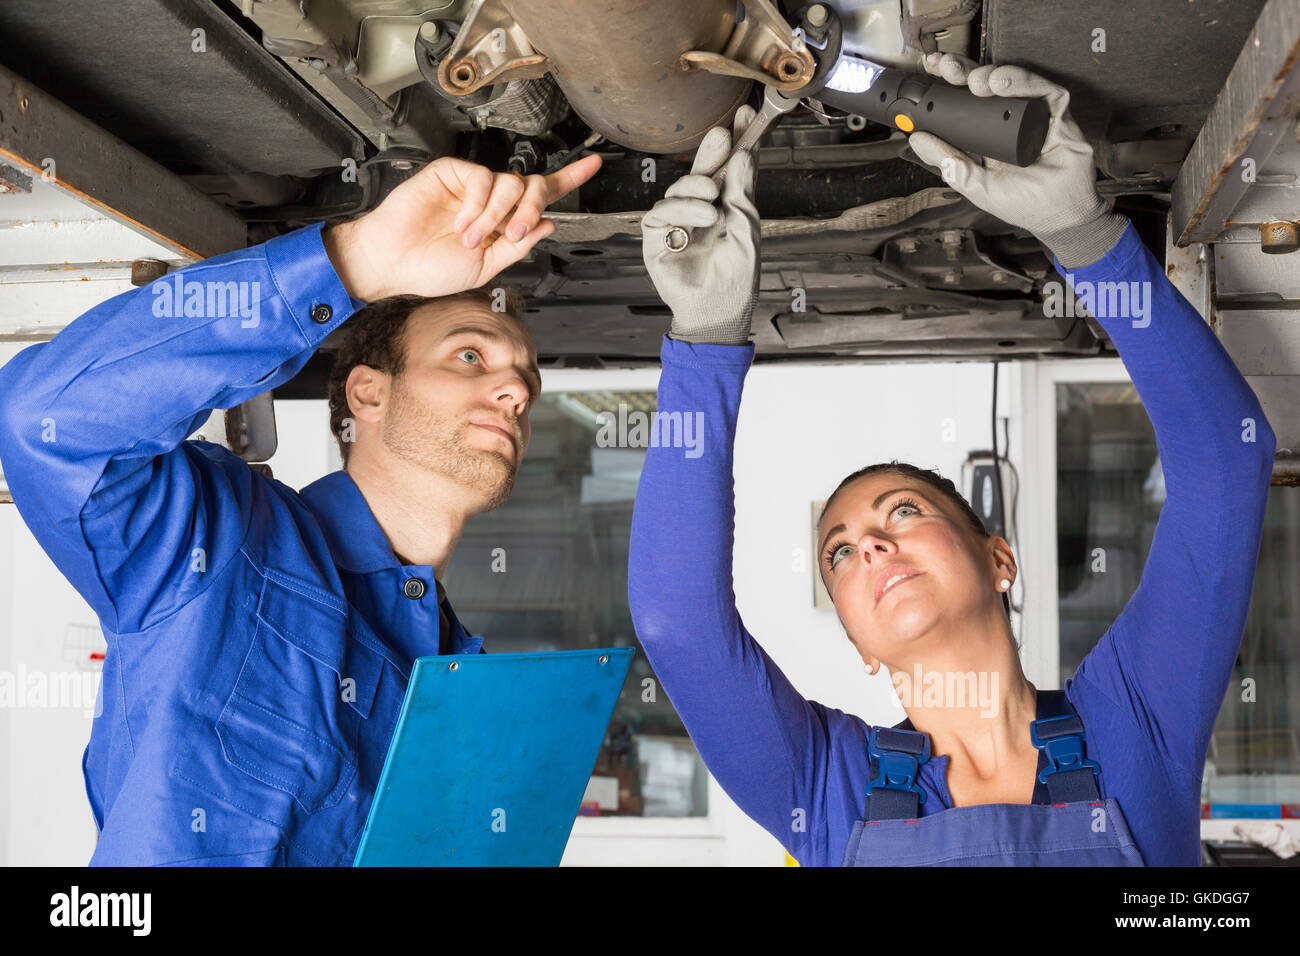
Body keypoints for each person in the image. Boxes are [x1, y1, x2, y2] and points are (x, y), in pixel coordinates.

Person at [630, 52, 1276, 866]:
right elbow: (676, 624)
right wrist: (703, 340)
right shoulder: (823, 787)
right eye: (839, 554)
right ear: (862, 647)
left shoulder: (1135, 727)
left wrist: (1084, 238)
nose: (867, 546)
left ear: (998, 557)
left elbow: (1226, 464)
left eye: (905, 512)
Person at [0, 151, 602, 865]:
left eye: (524, 377)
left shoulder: (460, 690)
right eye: (471, 356)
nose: (515, 390)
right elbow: (49, 421)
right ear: (368, 394)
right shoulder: (220, 540)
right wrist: (359, 260)